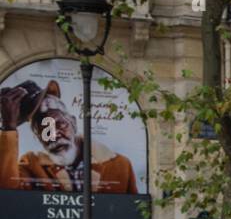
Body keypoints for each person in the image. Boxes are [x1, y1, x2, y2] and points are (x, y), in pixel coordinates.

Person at [0, 78, 138, 192]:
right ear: (37, 136)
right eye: (45, 130)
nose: (54, 135)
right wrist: (9, 128)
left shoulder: (120, 165)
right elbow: (7, 193)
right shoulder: (30, 165)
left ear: (73, 123)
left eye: (60, 124)